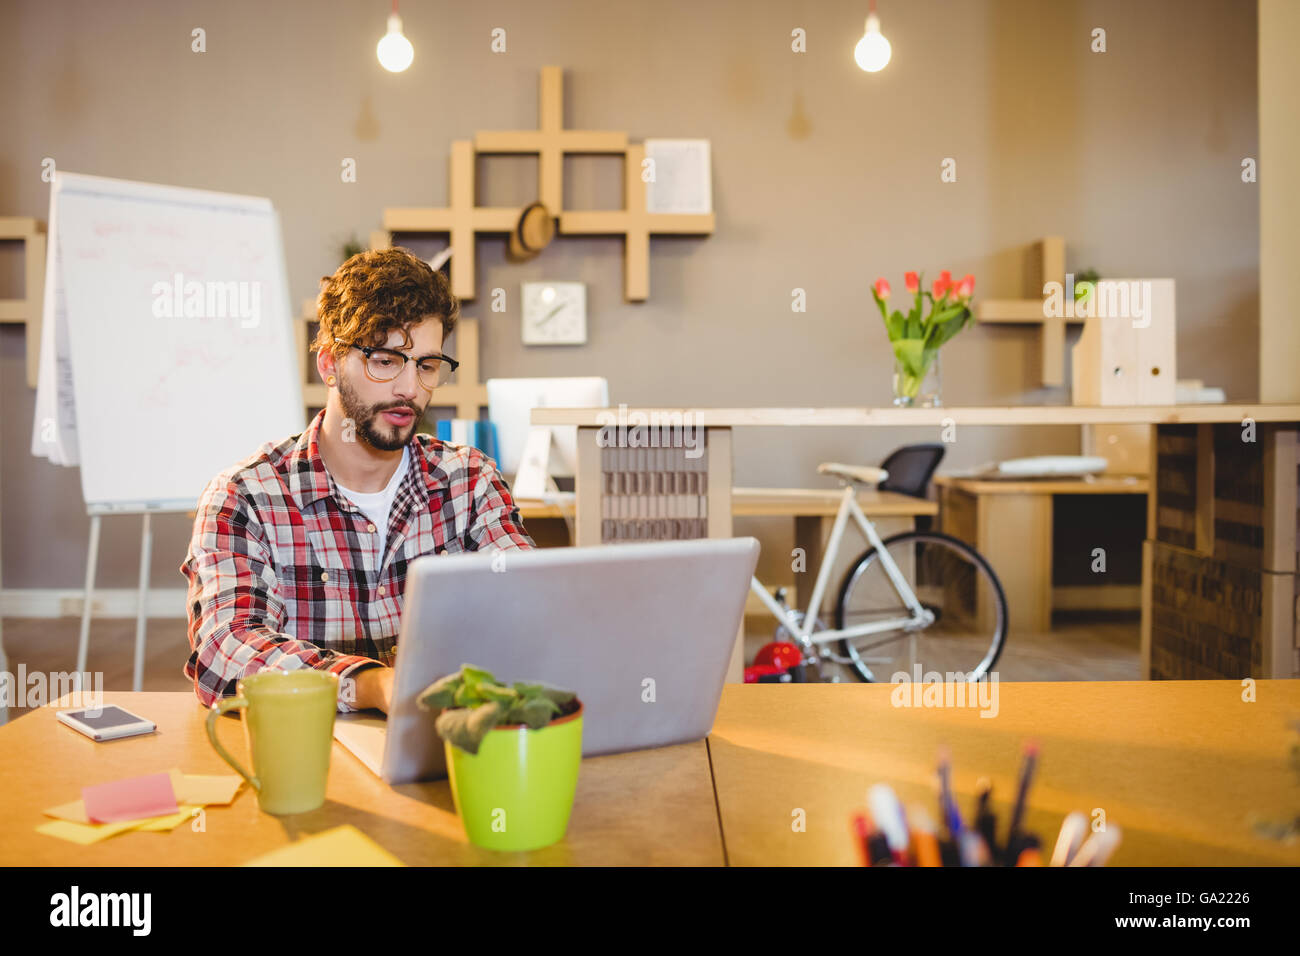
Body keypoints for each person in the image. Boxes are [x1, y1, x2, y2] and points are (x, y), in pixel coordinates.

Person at [181, 247, 534, 715]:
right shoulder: (244, 496)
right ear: (328, 364)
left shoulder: (468, 481)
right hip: (313, 758)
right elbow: (225, 652)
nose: (410, 388)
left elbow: (531, 607)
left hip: (446, 752)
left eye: (426, 365)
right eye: (386, 361)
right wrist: (370, 686)